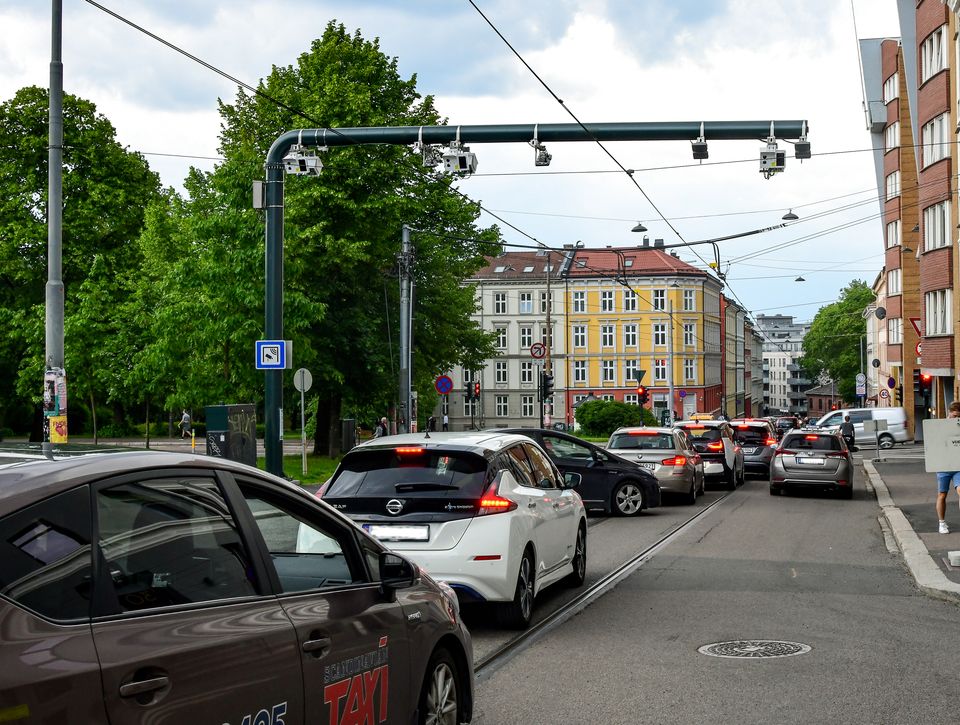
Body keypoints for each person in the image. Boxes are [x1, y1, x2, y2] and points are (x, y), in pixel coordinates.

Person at [936, 401, 960, 534]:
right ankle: (942, 523)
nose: (956, 419)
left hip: (958, 465)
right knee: (942, 495)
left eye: (959, 416)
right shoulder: (940, 426)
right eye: (954, 416)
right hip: (944, 465)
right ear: (949, 413)